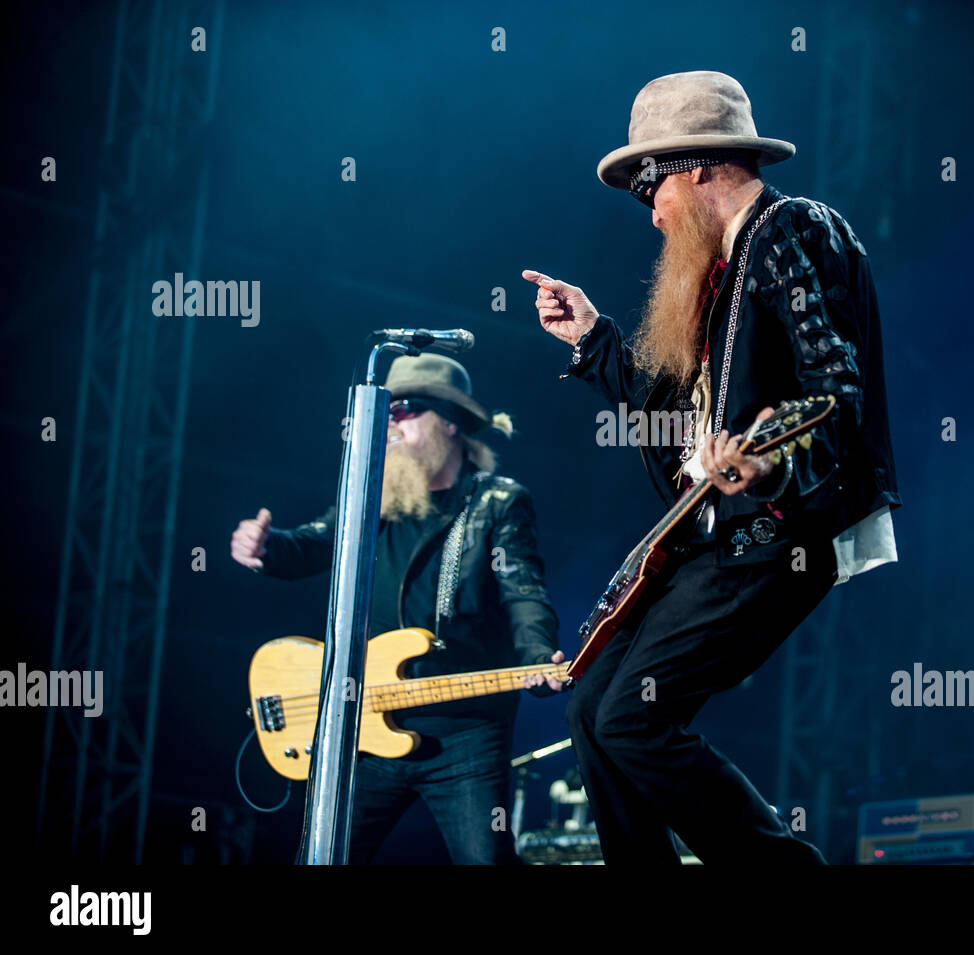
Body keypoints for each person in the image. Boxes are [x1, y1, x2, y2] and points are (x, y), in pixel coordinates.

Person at [522, 70, 901, 864]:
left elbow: (836, 388)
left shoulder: (792, 230)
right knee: (592, 704)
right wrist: (593, 341)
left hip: (777, 533)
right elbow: (673, 426)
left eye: (649, 189)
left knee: (633, 715)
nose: (651, 214)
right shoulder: (717, 277)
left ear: (694, 168)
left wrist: (768, 464)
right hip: (709, 537)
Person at [230, 353, 564, 864]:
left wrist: (536, 652)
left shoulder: (497, 501)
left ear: (450, 422)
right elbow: (314, 545)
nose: (390, 421)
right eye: (387, 411)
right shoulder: (370, 499)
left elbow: (523, 591)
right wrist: (265, 546)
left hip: (465, 733)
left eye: (406, 409)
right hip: (364, 725)